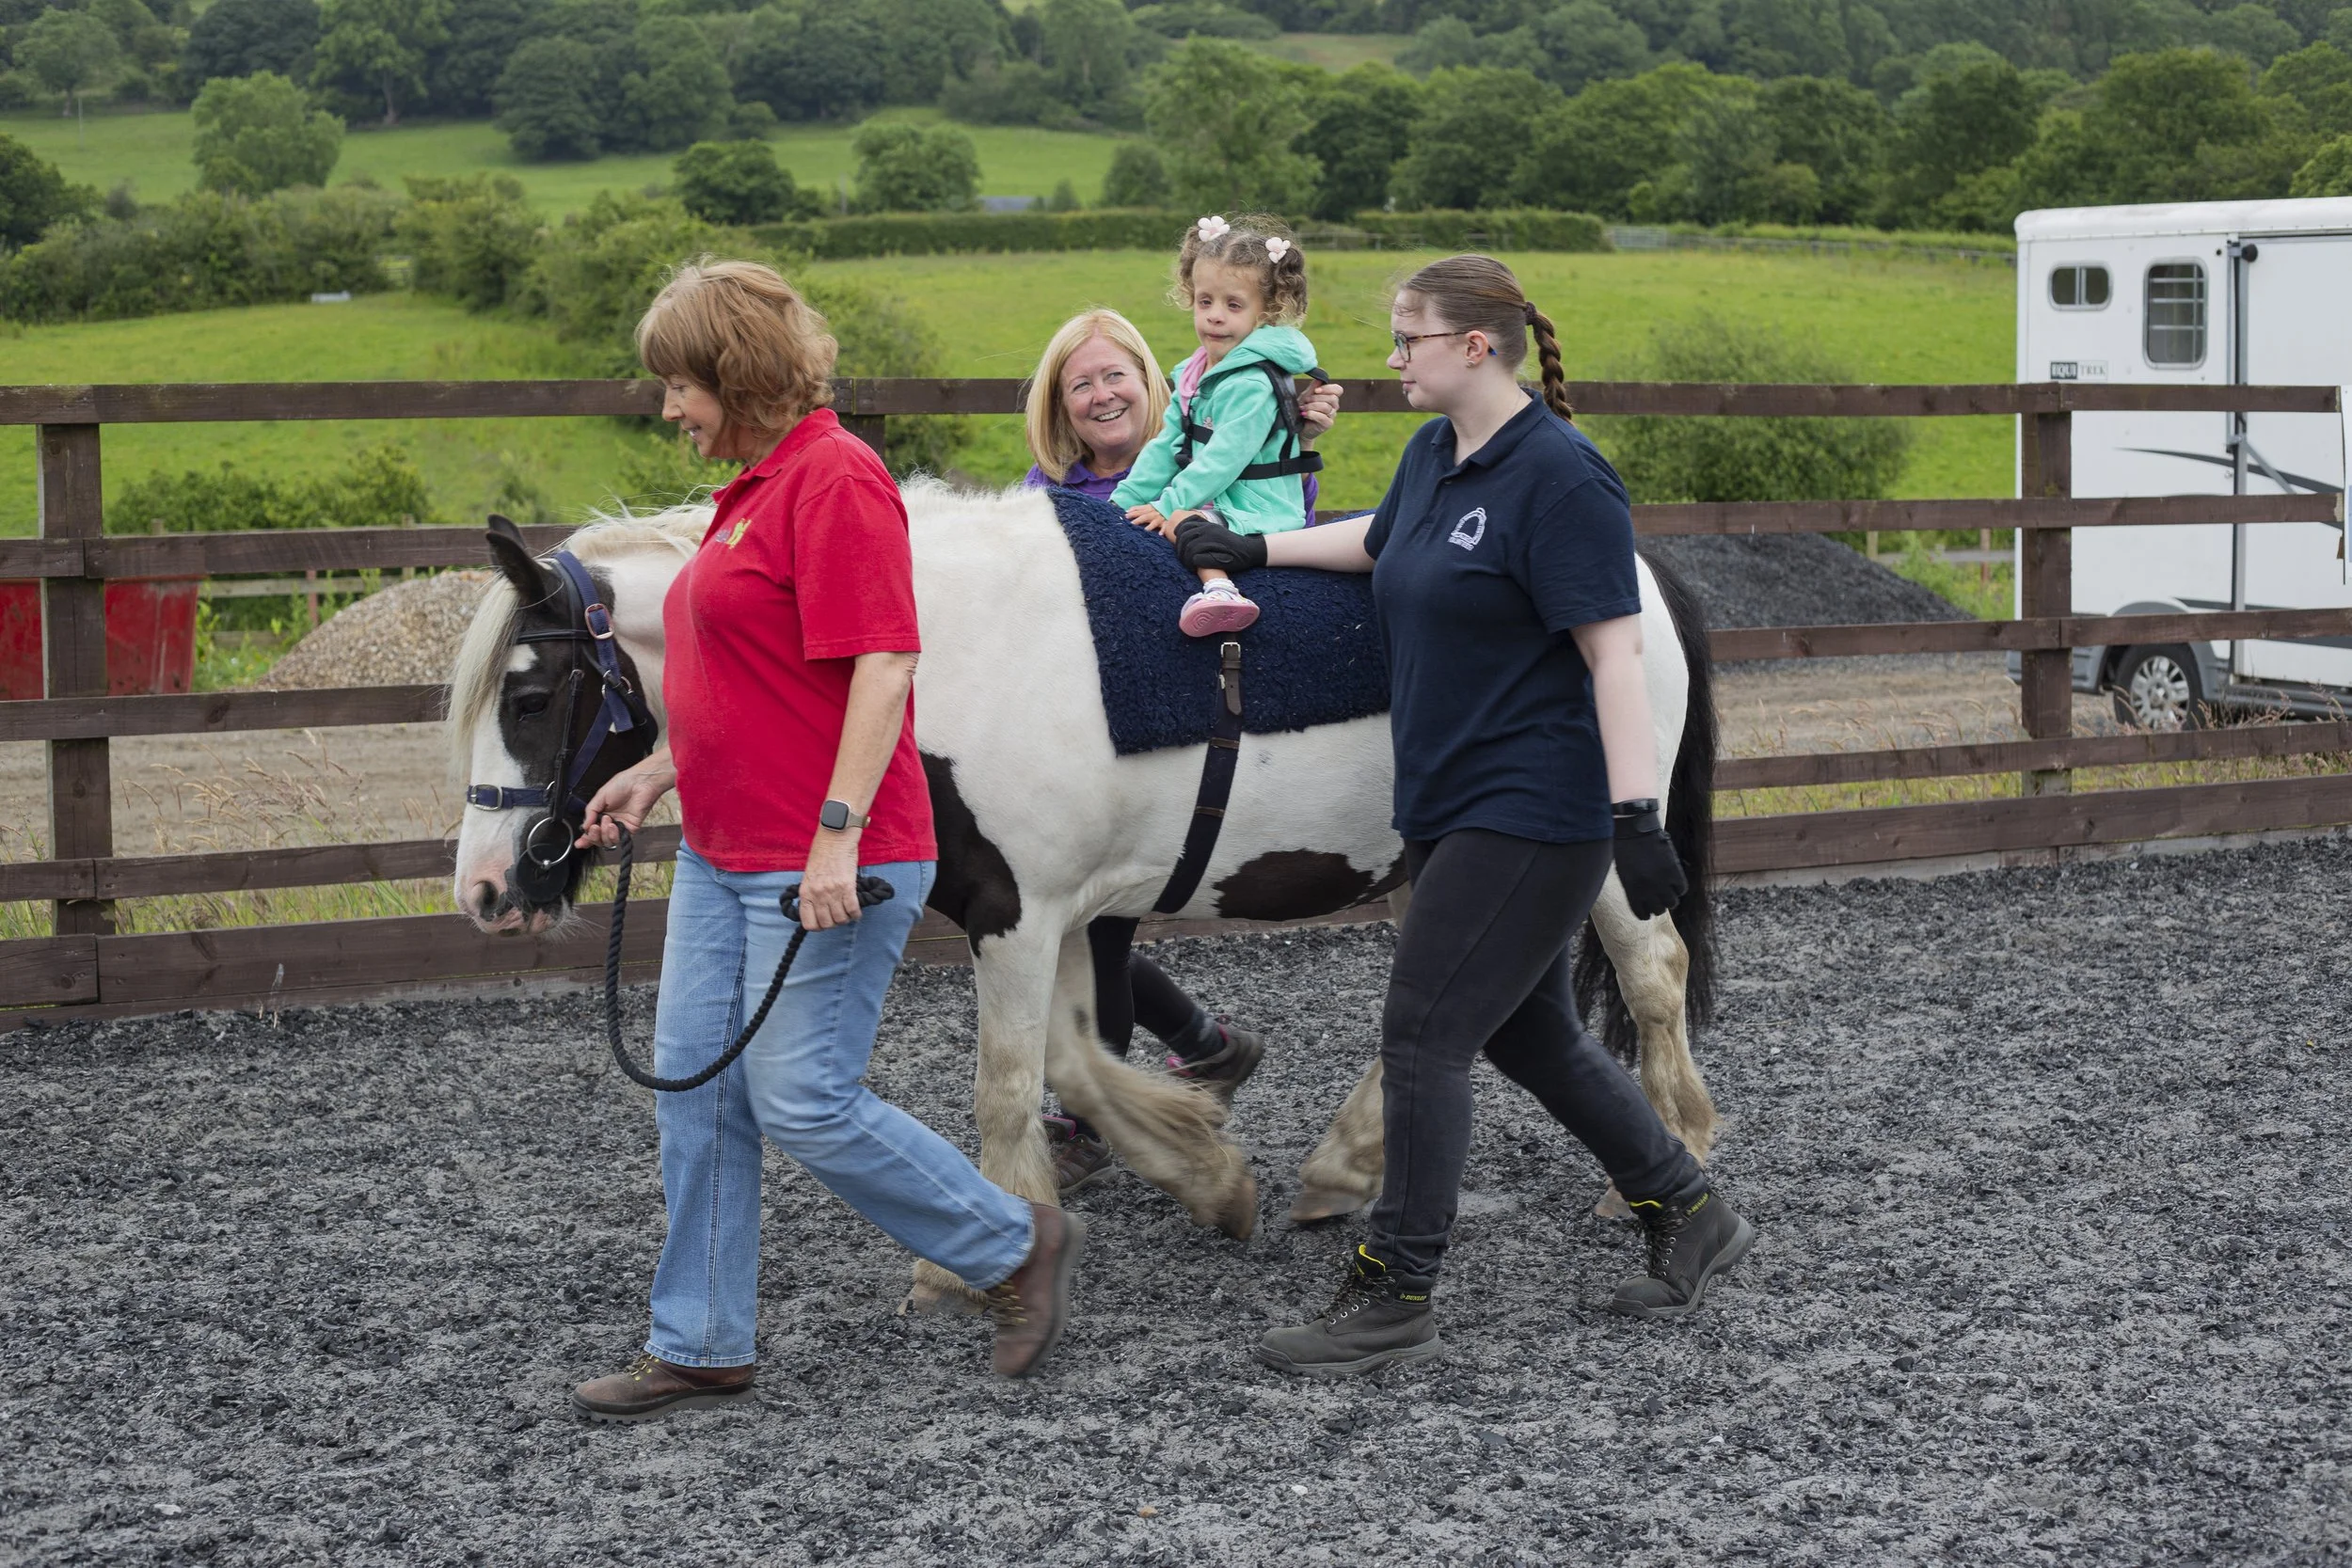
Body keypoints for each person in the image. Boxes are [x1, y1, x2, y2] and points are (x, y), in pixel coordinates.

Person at [1176, 255, 1757, 1378]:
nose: (1393, 357)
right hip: (1444, 798)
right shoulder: (1434, 452)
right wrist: (1254, 548)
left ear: (1473, 347)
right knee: (1525, 1030)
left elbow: (1614, 656)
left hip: (1537, 803)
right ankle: (1690, 1208)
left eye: (1409, 338)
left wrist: (1635, 816)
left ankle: (1394, 1288)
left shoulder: (1563, 477)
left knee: (1422, 1033)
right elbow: (1379, 540)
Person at [565, 260, 1085, 1420]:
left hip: (830, 854)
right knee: (698, 1093)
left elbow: (884, 665)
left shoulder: (836, 478)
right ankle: (700, 1340)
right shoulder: (751, 489)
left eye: (680, 385)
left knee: (802, 1096)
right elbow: (747, 676)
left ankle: (1015, 1243)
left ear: (737, 372)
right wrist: (657, 769)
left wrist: (836, 836)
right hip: (724, 851)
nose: (668, 408)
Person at [1017, 306, 1340, 1195]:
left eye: (1114, 375)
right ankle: (1206, 1045)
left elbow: (1271, 532)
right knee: (1086, 926)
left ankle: (1088, 1121)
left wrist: (1284, 438)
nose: (1101, 394)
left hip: (1177, 728)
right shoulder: (1045, 495)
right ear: (1059, 405)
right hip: (1073, 740)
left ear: (1149, 383)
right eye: (1080, 384)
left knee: (1095, 930)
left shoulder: (1202, 466)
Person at [1114, 214, 1324, 637]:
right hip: (1219, 502)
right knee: (1158, 520)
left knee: (1182, 522)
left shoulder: (1252, 385)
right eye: (1205, 301)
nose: (1214, 316)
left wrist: (1168, 505)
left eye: (1233, 305)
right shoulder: (1195, 373)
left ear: (1265, 313)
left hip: (1258, 510)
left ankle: (1221, 590)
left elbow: (1223, 460)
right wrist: (1120, 504)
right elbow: (1166, 444)